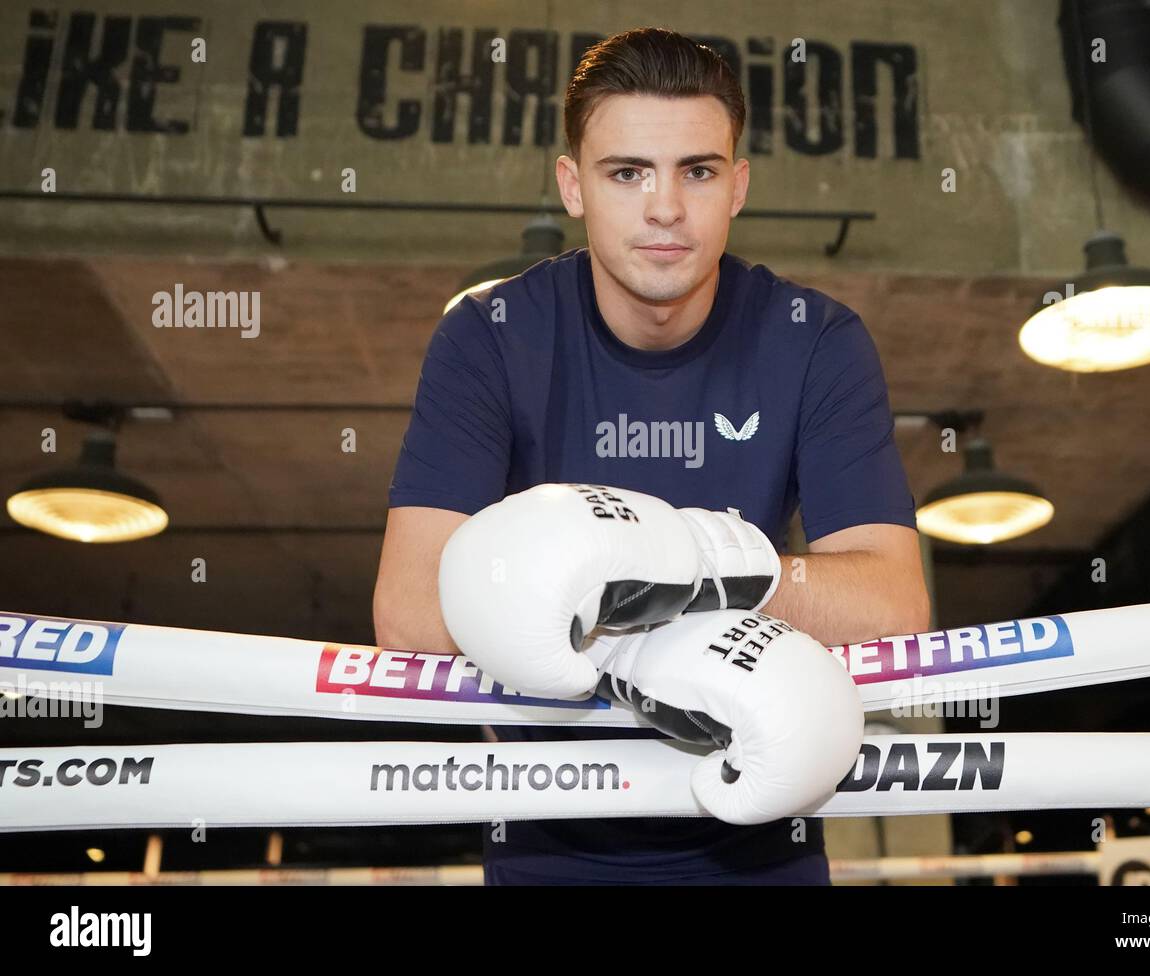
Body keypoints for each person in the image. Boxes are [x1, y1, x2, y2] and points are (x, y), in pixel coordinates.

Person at [373, 26, 930, 885]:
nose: (664, 207)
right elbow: (409, 615)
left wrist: (696, 565)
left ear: (737, 186)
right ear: (572, 185)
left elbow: (893, 604)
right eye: (626, 172)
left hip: (758, 832)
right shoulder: (491, 337)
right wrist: (658, 633)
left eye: (697, 171)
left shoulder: (814, 341)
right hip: (550, 832)